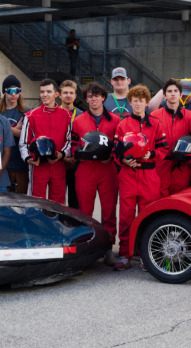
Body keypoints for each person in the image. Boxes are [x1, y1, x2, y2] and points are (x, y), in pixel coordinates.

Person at [113, 85, 169, 271]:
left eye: (141, 101)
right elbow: (115, 151)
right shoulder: (123, 124)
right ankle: (125, 254)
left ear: (147, 102)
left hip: (149, 176)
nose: (138, 104)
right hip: (128, 175)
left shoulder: (156, 124)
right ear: (130, 102)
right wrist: (123, 160)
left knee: (148, 217)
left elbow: (164, 149)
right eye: (134, 101)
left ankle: (146, 256)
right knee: (126, 217)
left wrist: (151, 154)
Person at [70, 83, 120, 265]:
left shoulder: (115, 120)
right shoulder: (78, 121)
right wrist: (81, 154)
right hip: (86, 169)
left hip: (108, 169)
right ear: (86, 99)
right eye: (90, 96)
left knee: (109, 211)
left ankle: (108, 248)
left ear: (103, 97)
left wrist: (112, 155)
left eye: (97, 95)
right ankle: (88, 249)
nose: (94, 99)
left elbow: (119, 144)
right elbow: (73, 146)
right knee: (85, 212)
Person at [150, 79, 191, 197]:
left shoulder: (190, 116)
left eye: (176, 91)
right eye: (169, 91)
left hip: (182, 167)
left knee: (179, 202)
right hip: (159, 167)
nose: (173, 94)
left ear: (180, 94)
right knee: (158, 203)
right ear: (164, 95)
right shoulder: (154, 116)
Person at [19, 79, 72, 203]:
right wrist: (28, 158)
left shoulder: (67, 115)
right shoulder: (30, 115)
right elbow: (23, 143)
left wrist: (61, 155)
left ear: (56, 94)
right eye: (42, 92)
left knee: (58, 204)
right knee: (37, 203)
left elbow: (69, 141)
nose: (45, 94)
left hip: (58, 165)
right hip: (38, 166)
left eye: (48, 91)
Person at [0, 75, 31, 194]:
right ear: (4, 92)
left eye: (17, 91)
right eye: (10, 91)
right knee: (2, 200)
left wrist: (6, 128)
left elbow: (28, 136)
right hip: (1, 164)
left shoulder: (27, 112)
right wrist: (15, 129)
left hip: (20, 164)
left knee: (20, 201)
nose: (14, 94)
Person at [60, 80, 83, 208]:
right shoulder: (54, 113)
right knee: (58, 202)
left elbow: (83, 140)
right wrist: (62, 158)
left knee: (75, 202)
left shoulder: (81, 115)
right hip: (59, 162)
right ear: (59, 95)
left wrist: (75, 157)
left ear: (75, 96)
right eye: (65, 93)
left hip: (76, 163)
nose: (68, 95)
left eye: (71, 93)